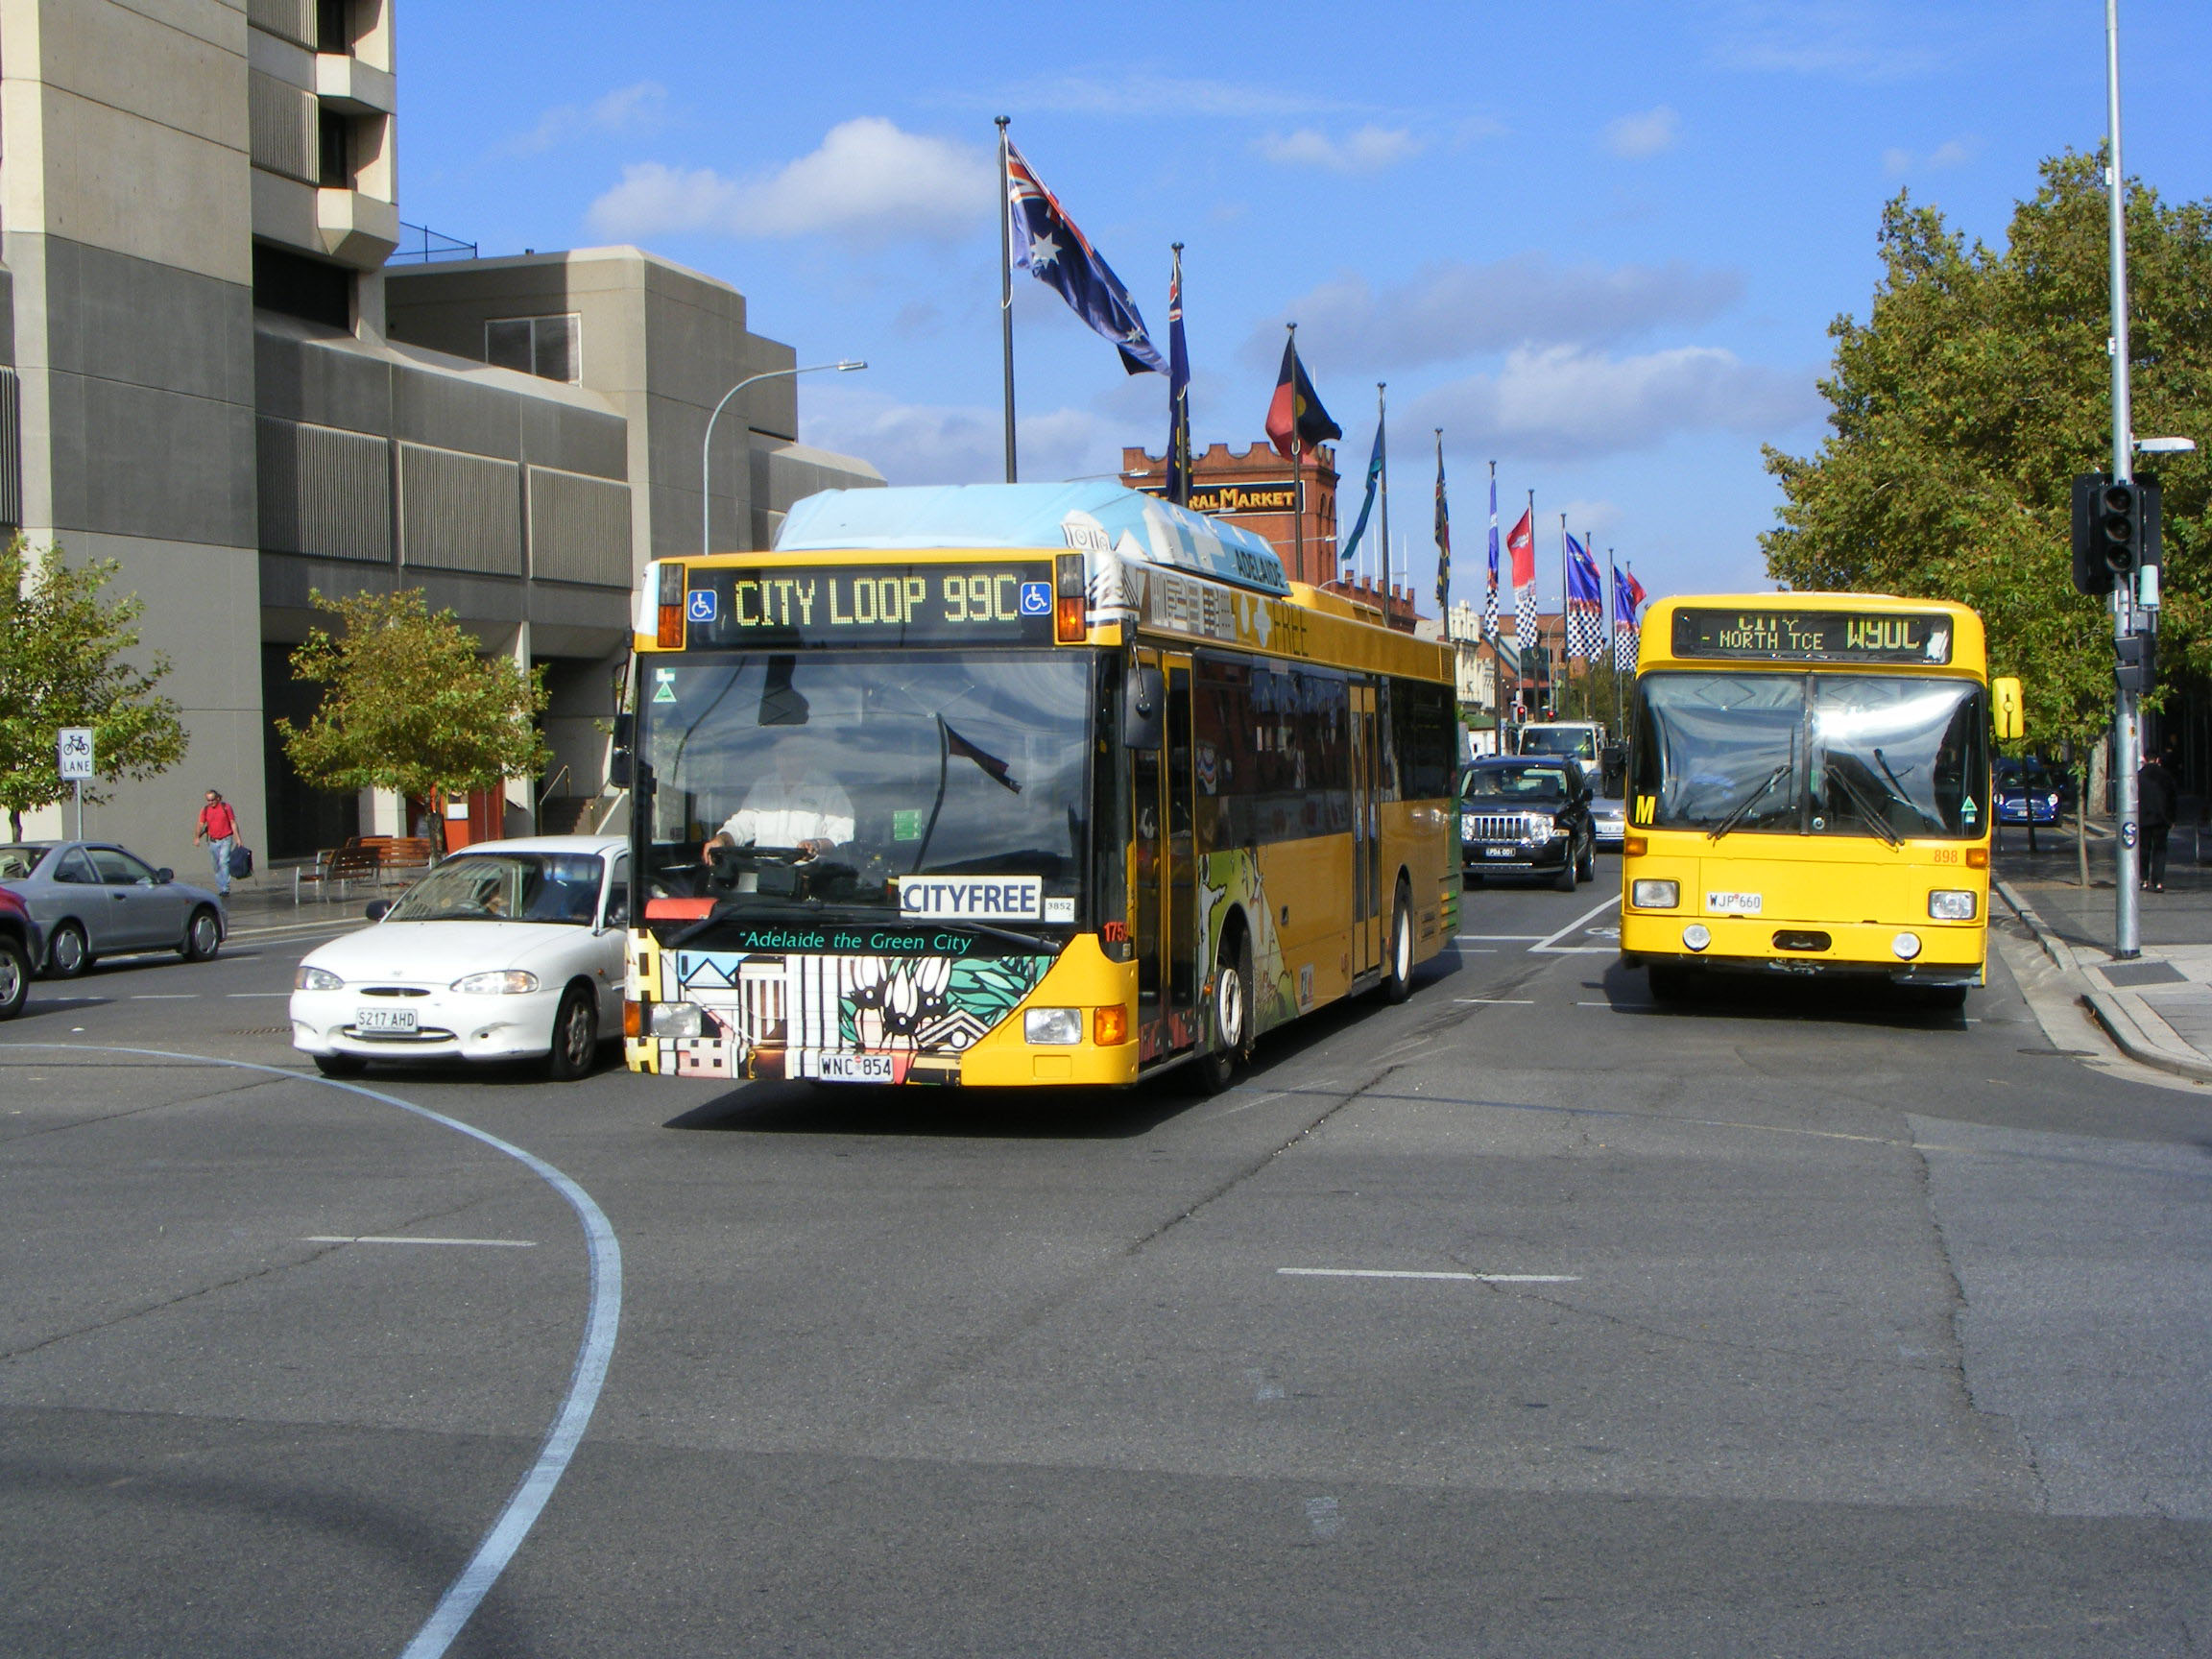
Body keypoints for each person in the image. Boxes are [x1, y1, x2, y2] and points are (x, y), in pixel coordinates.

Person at [703, 744, 854, 863]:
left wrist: (816, 844)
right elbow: (741, 824)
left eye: (794, 753)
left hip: (811, 882)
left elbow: (842, 833)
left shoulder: (827, 788)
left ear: (807, 755)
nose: (788, 760)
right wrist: (721, 840)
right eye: (782, 753)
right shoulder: (763, 786)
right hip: (763, 880)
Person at [2138, 744, 2180, 894]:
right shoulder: (2166, 776)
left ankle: (2143, 879)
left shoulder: (2138, 776)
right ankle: (2158, 882)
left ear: (2145, 759)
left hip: (2143, 819)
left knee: (2144, 849)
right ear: (2157, 759)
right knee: (2160, 850)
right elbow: (2172, 798)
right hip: (2161, 819)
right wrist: (2172, 818)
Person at [193, 788, 238, 898]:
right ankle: (221, 886)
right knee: (216, 865)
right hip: (213, 841)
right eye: (208, 800)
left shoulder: (226, 807)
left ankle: (225, 888)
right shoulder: (205, 810)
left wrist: (238, 838)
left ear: (218, 798)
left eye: (212, 800)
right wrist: (196, 837)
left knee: (224, 861)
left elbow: (232, 823)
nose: (210, 802)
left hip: (226, 839)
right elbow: (200, 824)